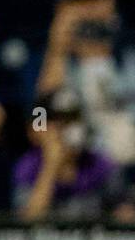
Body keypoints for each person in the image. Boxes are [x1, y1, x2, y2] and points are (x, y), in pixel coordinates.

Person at [35, 0, 135, 165]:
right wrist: (57, 51)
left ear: (111, 2)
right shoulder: (44, 56)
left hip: (130, 151)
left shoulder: (131, 48)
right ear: (62, 7)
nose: (88, 9)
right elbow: (39, 119)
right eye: (78, 0)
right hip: (75, 161)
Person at [13, 88, 127, 221]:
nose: (67, 130)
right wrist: (50, 167)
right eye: (59, 124)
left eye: (73, 121)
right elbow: (27, 222)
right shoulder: (28, 166)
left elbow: (127, 221)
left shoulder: (100, 165)